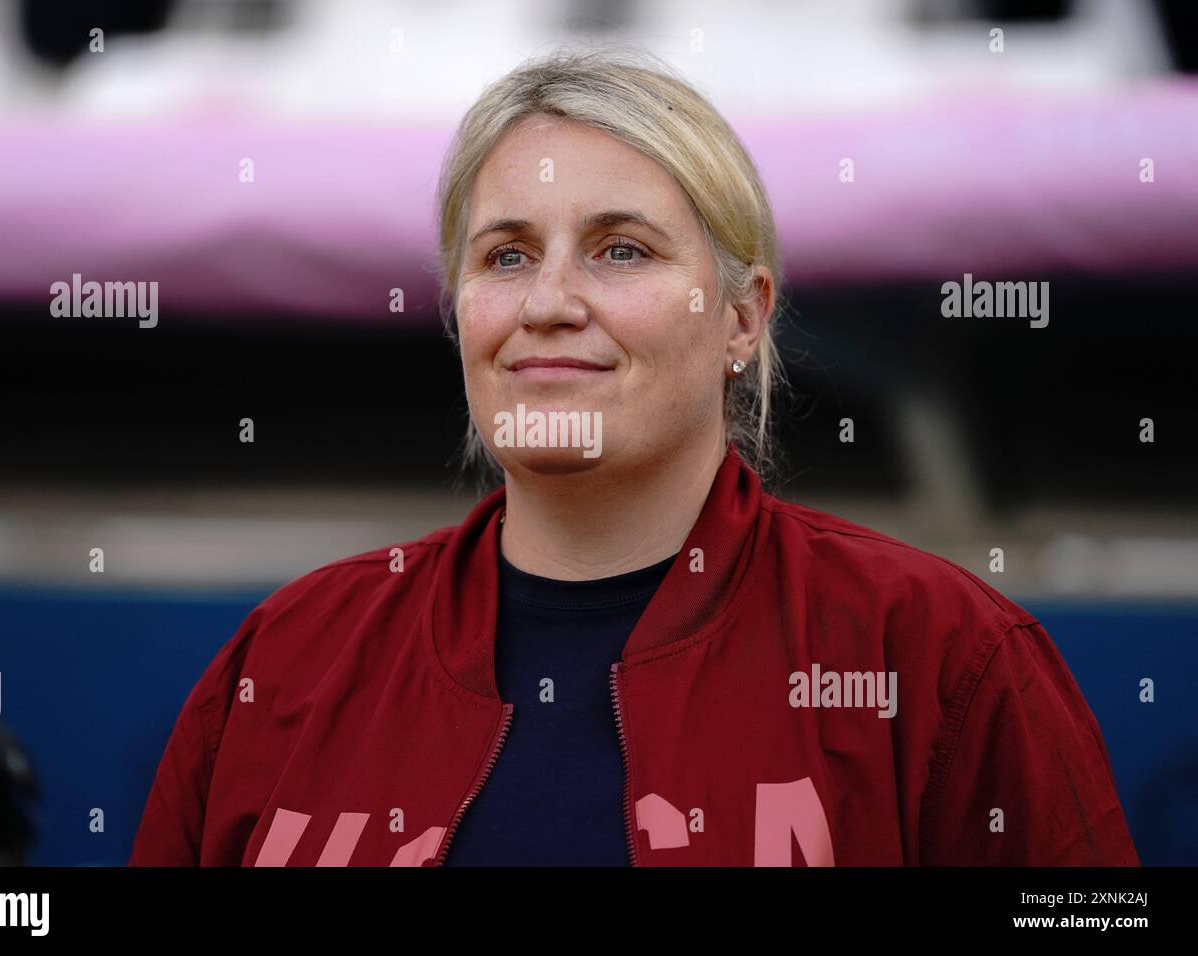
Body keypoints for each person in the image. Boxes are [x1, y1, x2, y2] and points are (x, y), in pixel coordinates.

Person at [130, 46, 1139, 867]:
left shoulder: (938, 655)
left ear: (742, 318)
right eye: (506, 254)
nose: (547, 302)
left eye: (621, 249)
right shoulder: (286, 657)